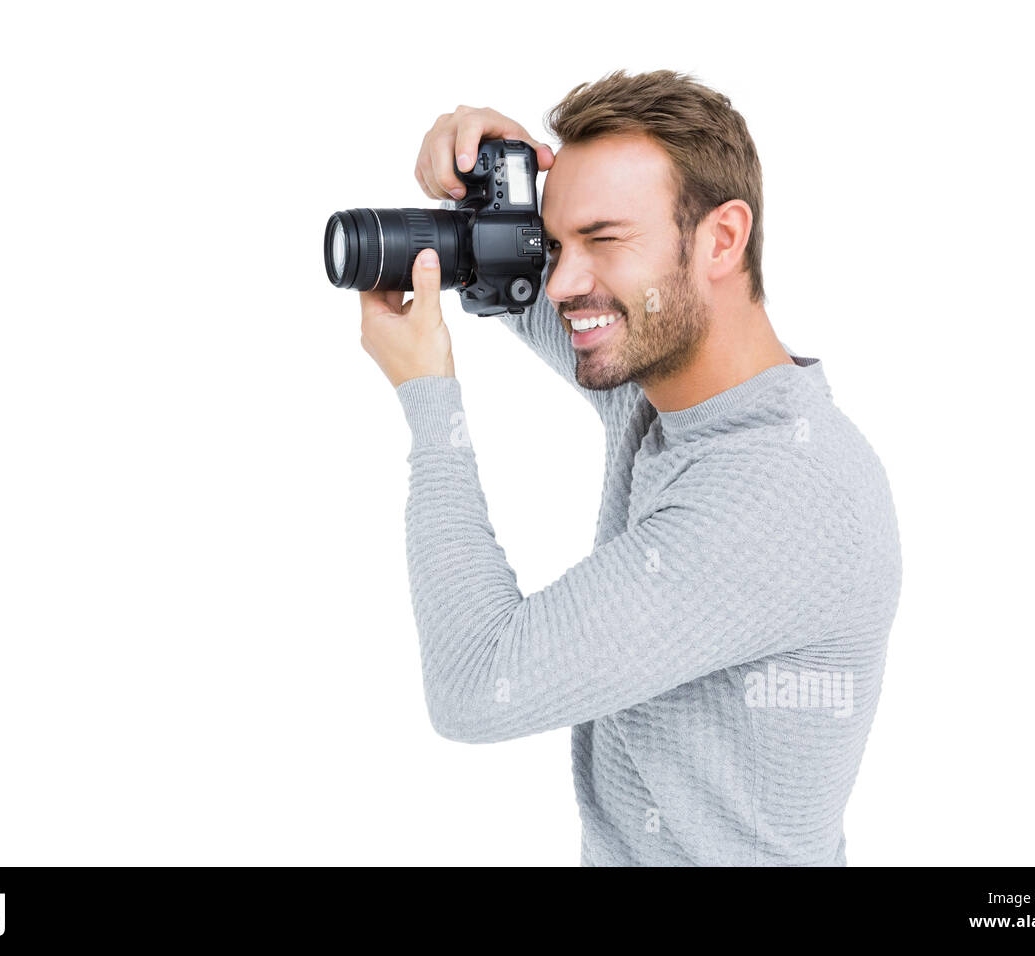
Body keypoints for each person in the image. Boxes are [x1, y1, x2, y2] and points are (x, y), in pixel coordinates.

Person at [356, 69, 902, 866]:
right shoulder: (677, 396)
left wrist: (428, 399)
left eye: (605, 239)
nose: (565, 281)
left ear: (721, 238)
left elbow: (476, 683)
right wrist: (487, 205)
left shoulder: (774, 495)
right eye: (556, 242)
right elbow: (539, 292)